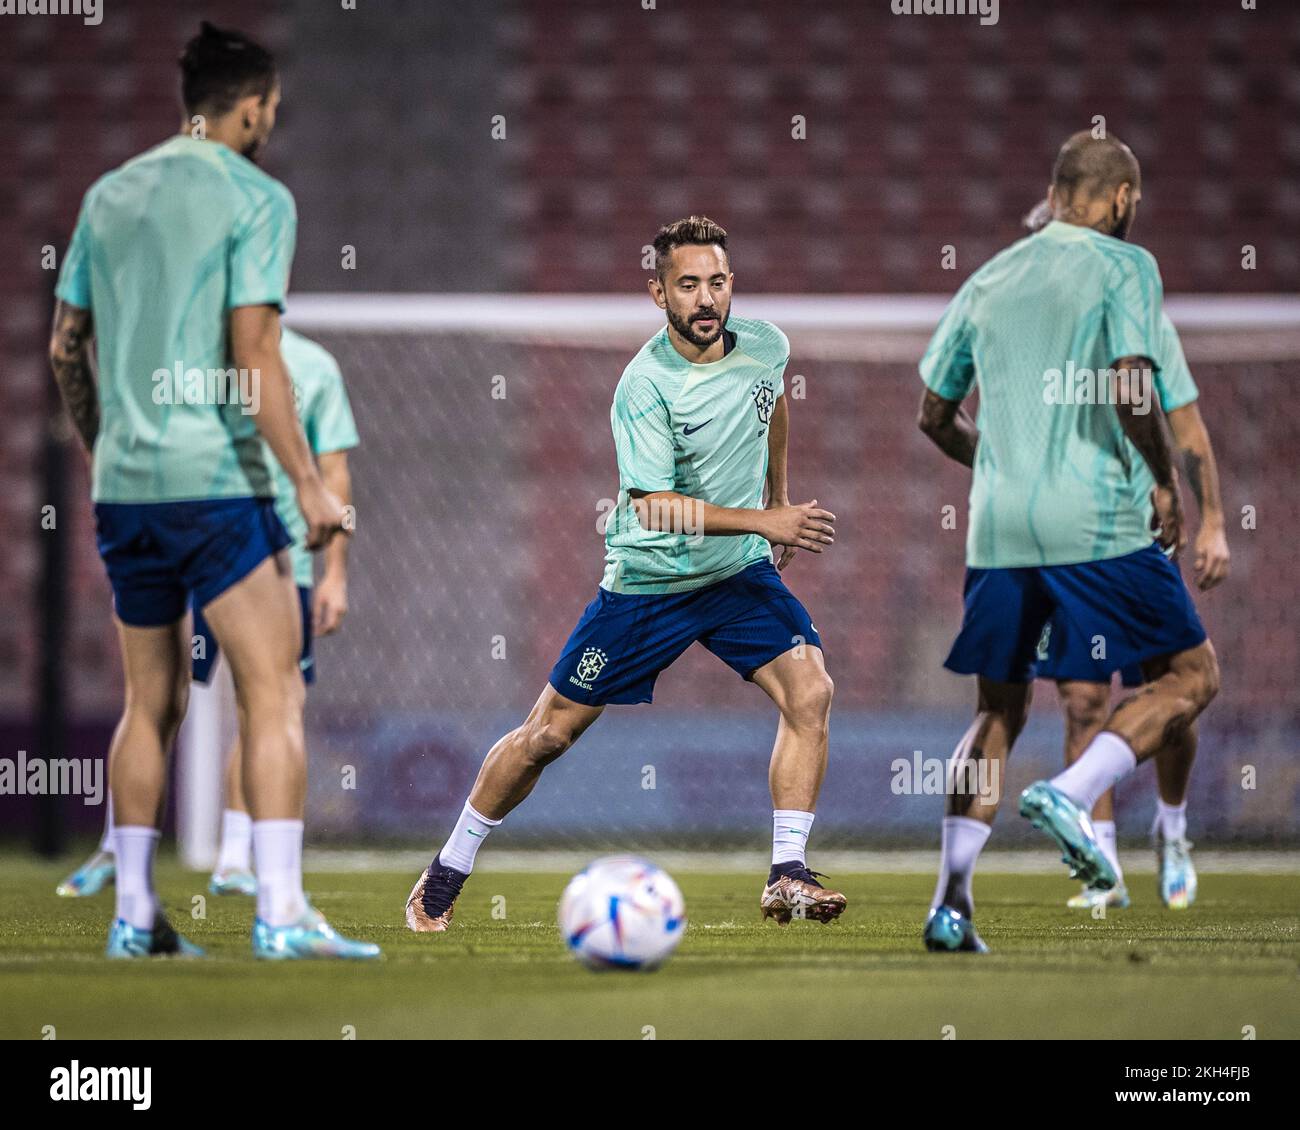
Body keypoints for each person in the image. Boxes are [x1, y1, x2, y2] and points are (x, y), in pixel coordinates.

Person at [406, 216, 844, 933]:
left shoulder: (767, 346)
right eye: (689, 286)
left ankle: (787, 873)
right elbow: (657, 510)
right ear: (658, 293)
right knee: (547, 736)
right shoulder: (644, 386)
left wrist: (776, 497)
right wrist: (766, 524)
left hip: (736, 576)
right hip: (650, 583)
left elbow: (774, 403)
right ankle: (448, 867)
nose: (707, 299)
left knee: (811, 690)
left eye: (718, 283)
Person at [49, 21, 377, 960]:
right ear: (249, 109)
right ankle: (278, 913)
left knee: (147, 704)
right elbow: (255, 351)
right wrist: (310, 486)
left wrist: (106, 447)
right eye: (271, 109)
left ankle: (136, 918)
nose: (270, 122)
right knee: (272, 691)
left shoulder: (108, 194)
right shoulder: (256, 196)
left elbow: (66, 346)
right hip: (216, 483)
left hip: (125, 491)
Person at [915, 131, 1220, 952]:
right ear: (1121, 199)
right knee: (1192, 674)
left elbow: (932, 415)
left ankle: (950, 906)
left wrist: (1001, 464)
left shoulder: (988, 276)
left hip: (999, 527)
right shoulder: (1126, 266)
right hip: (1094, 521)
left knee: (996, 712)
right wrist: (1162, 479)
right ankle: (1074, 790)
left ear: (1053, 195)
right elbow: (1131, 387)